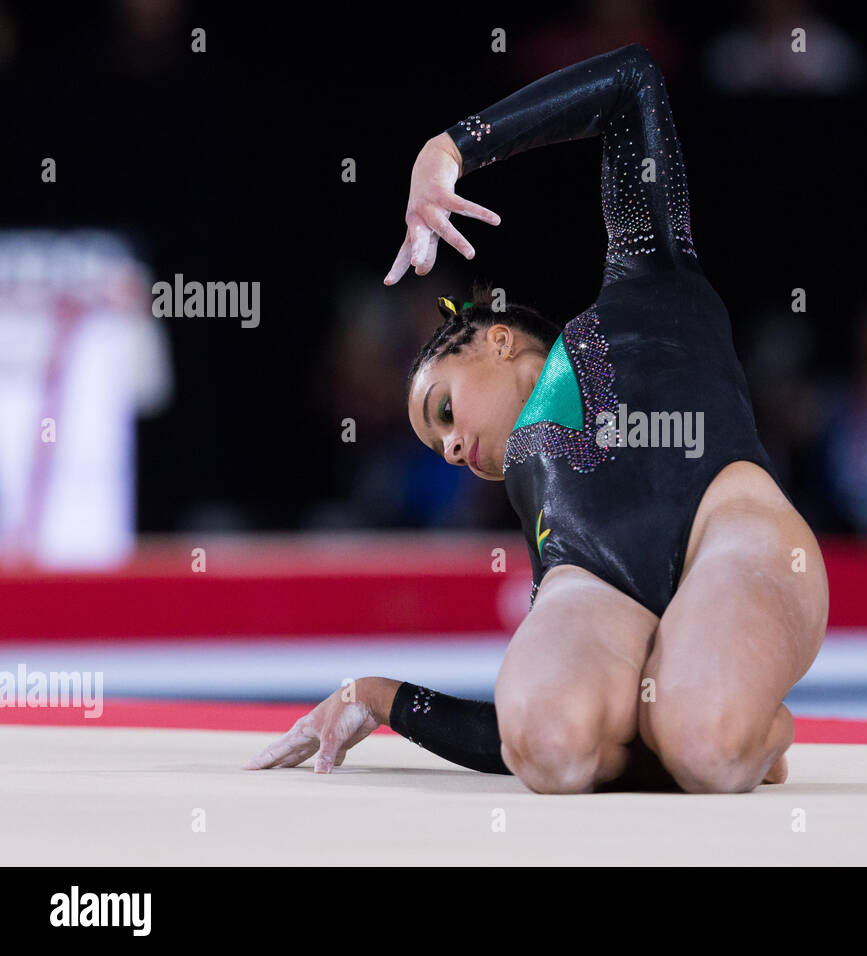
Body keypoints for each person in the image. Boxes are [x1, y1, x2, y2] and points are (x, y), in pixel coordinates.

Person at [243, 43, 828, 793]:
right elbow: (516, 741)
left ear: (495, 338)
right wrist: (379, 696)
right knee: (553, 749)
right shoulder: (540, 516)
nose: (451, 445)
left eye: (444, 409)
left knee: (706, 747)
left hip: (734, 531)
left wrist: (450, 146)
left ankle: (729, 724)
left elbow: (631, 82)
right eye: (438, 443)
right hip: (597, 587)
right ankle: (672, 712)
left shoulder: (649, 275)